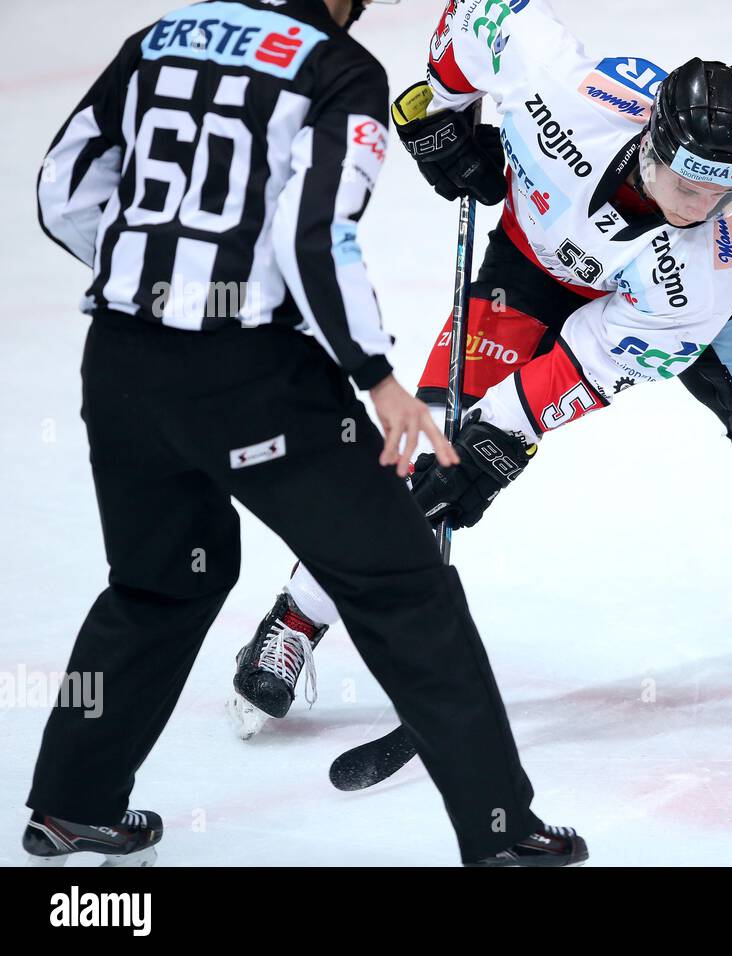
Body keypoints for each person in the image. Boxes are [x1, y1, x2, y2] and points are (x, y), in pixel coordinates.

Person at [227, 0, 732, 739]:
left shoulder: (709, 265)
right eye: (690, 187)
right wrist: (441, 111)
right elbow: (475, 17)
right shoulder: (559, 83)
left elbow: (592, 356)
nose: (704, 206)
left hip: (683, 311)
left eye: (726, 189)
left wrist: (502, 439)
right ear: (653, 146)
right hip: (529, 268)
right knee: (429, 454)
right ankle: (293, 621)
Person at [26, 0, 584, 867]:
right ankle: (504, 834)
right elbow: (312, 233)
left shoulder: (159, 37)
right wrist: (377, 377)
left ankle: (70, 805)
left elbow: (62, 190)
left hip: (122, 362)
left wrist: (161, 277)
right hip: (249, 378)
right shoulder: (334, 65)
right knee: (405, 586)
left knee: (158, 583)